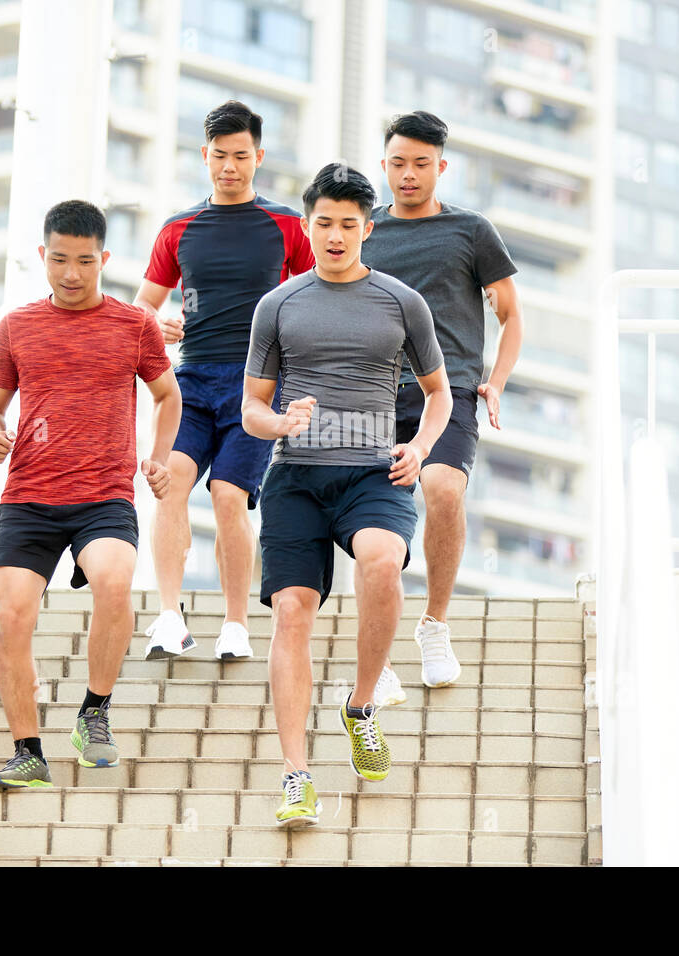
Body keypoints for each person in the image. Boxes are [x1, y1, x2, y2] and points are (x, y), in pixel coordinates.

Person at [243, 164, 451, 827]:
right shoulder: (278, 305)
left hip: (373, 472)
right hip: (296, 477)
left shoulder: (401, 303)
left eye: (349, 225)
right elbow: (252, 407)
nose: (336, 236)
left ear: (368, 227)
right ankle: (296, 774)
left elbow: (440, 394)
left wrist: (418, 448)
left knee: (383, 561)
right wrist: (278, 422)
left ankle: (361, 705)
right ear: (308, 226)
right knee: (292, 612)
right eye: (324, 223)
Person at [0, 200, 181, 788]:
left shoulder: (134, 324)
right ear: (43, 255)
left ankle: (94, 712)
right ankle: (27, 751)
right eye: (59, 260)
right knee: (12, 614)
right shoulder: (17, 326)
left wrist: (159, 459)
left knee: (115, 582)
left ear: (104, 259)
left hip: (104, 493)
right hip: (28, 497)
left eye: (84, 262)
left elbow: (168, 396)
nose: (71, 274)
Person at [133, 100, 314, 661]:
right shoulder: (178, 229)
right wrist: (156, 324)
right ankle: (169, 616)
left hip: (254, 388)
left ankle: (235, 623)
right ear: (203, 156)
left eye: (240, 156)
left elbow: (321, 291)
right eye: (219, 156)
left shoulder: (285, 224)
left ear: (259, 156)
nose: (229, 166)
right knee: (170, 481)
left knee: (229, 495)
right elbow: (142, 305)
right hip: (190, 384)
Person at [361, 111, 523, 702]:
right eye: (398, 163)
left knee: (443, 490)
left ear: (441, 167)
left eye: (421, 165)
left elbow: (510, 315)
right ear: (384, 165)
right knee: (373, 531)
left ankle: (434, 625)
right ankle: (376, 661)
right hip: (371, 396)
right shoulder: (364, 231)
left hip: (446, 392)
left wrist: (497, 380)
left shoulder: (471, 231)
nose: (408, 175)